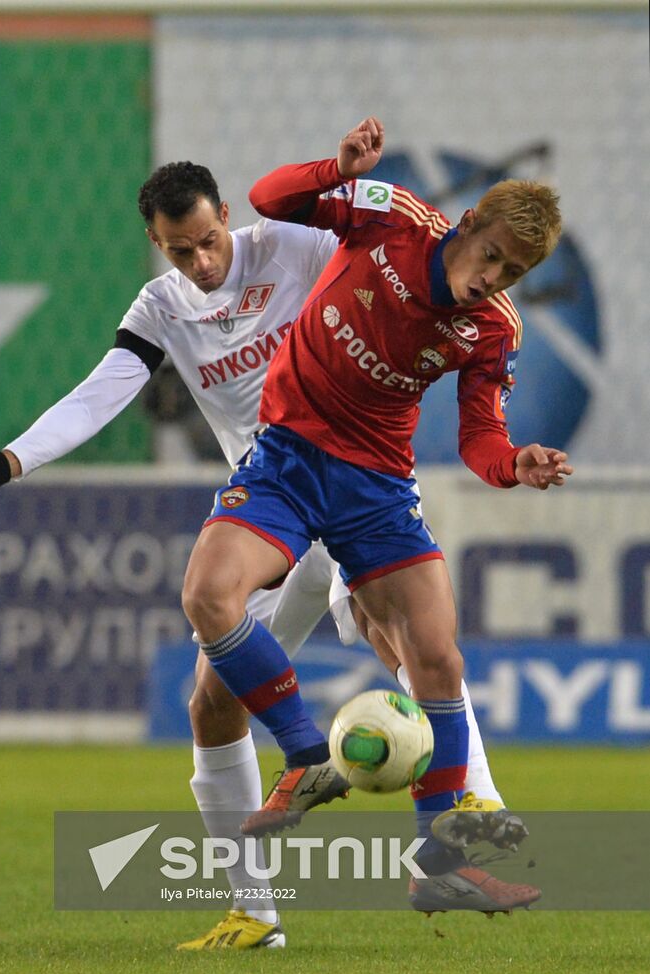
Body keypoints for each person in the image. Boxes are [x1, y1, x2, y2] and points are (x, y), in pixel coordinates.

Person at [0, 155, 533, 947]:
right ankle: (256, 910)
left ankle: (469, 814)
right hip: (271, 495)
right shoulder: (159, 309)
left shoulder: (297, 248)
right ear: (155, 243)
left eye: (210, 240)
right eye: (180, 251)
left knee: (408, 640)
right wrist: (5, 462)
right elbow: (97, 395)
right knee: (210, 703)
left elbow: (398, 280)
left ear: (225, 215)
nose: (203, 263)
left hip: (357, 479)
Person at [180, 116, 570, 916]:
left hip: (377, 490)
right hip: (286, 458)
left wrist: (514, 464)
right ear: (465, 226)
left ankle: (436, 867)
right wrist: (336, 166)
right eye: (491, 253)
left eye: (514, 270)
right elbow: (267, 198)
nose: (494, 276)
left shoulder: (492, 331)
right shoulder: (391, 214)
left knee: (438, 659)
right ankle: (306, 753)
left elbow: (479, 439)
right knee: (208, 597)